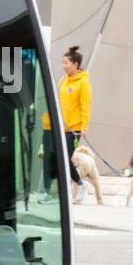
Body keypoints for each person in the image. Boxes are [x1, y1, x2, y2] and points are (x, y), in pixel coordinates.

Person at [40, 45, 92, 201]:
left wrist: (84, 127)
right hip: (58, 128)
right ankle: (51, 192)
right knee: (53, 158)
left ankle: (81, 184)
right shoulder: (63, 80)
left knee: (64, 160)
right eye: (62, 63)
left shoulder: (83, 82)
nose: (63, 66)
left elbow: (86, 106)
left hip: (73, 129)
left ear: (75, 65)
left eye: (66, 63)